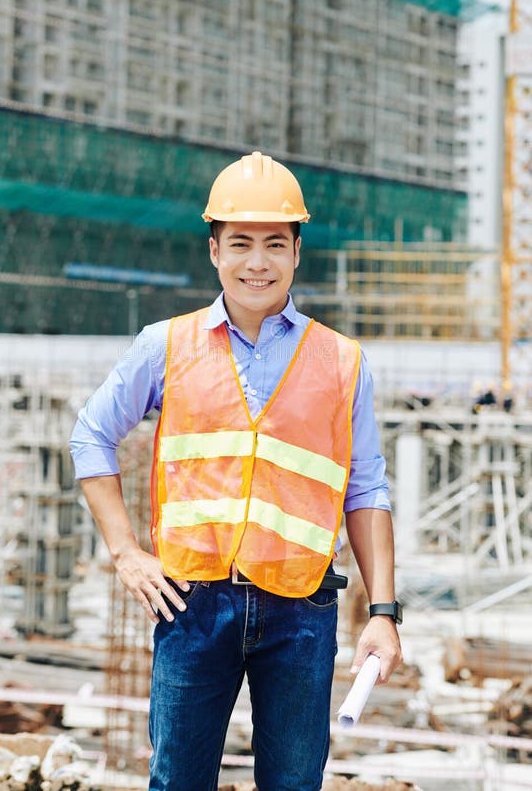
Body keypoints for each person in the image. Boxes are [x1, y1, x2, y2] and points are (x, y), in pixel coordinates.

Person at [70, 151, 402, 791]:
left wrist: (383, 612)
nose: (258, 262)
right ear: (214, 251)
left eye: (275, 244)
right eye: (241, 243)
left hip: (302, 606)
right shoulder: (165, 345)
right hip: (191, 602)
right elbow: (91, 435)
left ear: (297, 253)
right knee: (177, 781)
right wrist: (125, 554)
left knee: (294, 784)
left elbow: (366, 488)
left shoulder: (342, 361)